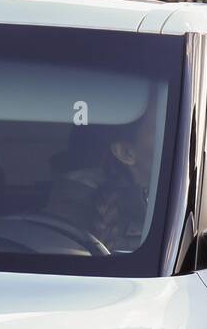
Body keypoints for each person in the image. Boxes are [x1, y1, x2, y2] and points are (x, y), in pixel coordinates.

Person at [44, 102, 158, 251]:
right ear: (125, 153)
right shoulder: (70, 216)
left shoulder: (174, 202)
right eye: (161, 129)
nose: (177, 136)